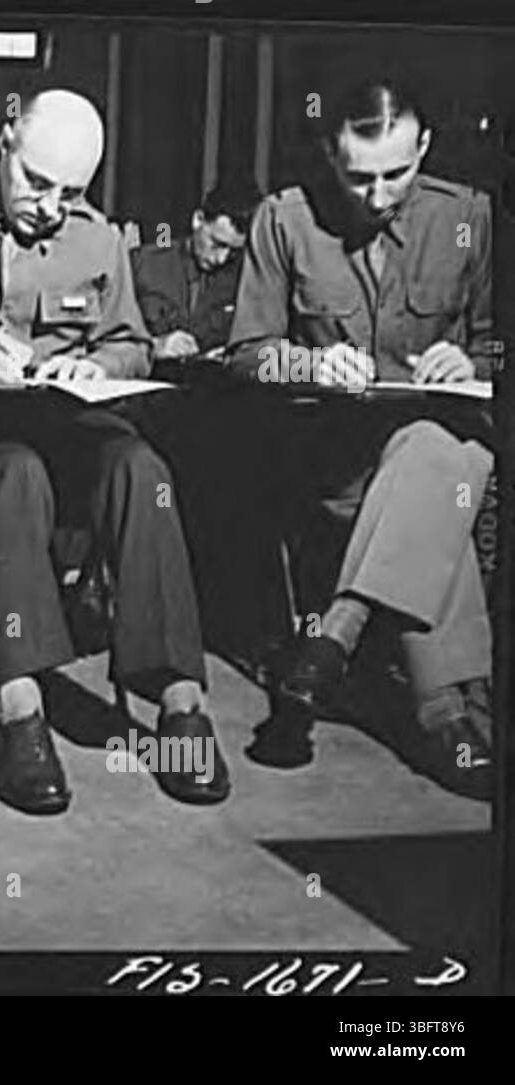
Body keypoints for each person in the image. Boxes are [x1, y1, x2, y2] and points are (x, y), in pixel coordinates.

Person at [0, 88, 232, 814]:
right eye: (37, 182)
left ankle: (179, 701)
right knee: (13, 472)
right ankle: (21, 707)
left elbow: (130, 342)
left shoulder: (97, 239)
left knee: (141, 468)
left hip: (71, 427)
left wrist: (101, 367)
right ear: (5, 137)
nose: (49, 205)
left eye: (71, 192)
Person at [226, 78, 497, 796]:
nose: (377, 198)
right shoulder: (284, 219)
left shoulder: (469, 216)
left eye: (397, 174)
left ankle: (331, 639)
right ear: (327, 152)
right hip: (333, 471)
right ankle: (449, 715)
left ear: (425, 148)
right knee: (442, 469)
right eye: (358, 177)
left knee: (435, 448)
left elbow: (501, 342)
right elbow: (247, 353)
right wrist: (307, 361)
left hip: (436, 455)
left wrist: (475, 359)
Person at [132, 179, 261, 359]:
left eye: (233, 251)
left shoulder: (247, 282)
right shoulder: (143, 264)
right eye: (217, 244)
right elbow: (109, 341)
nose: (221, 258)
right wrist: (154, 347)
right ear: (198, 220)